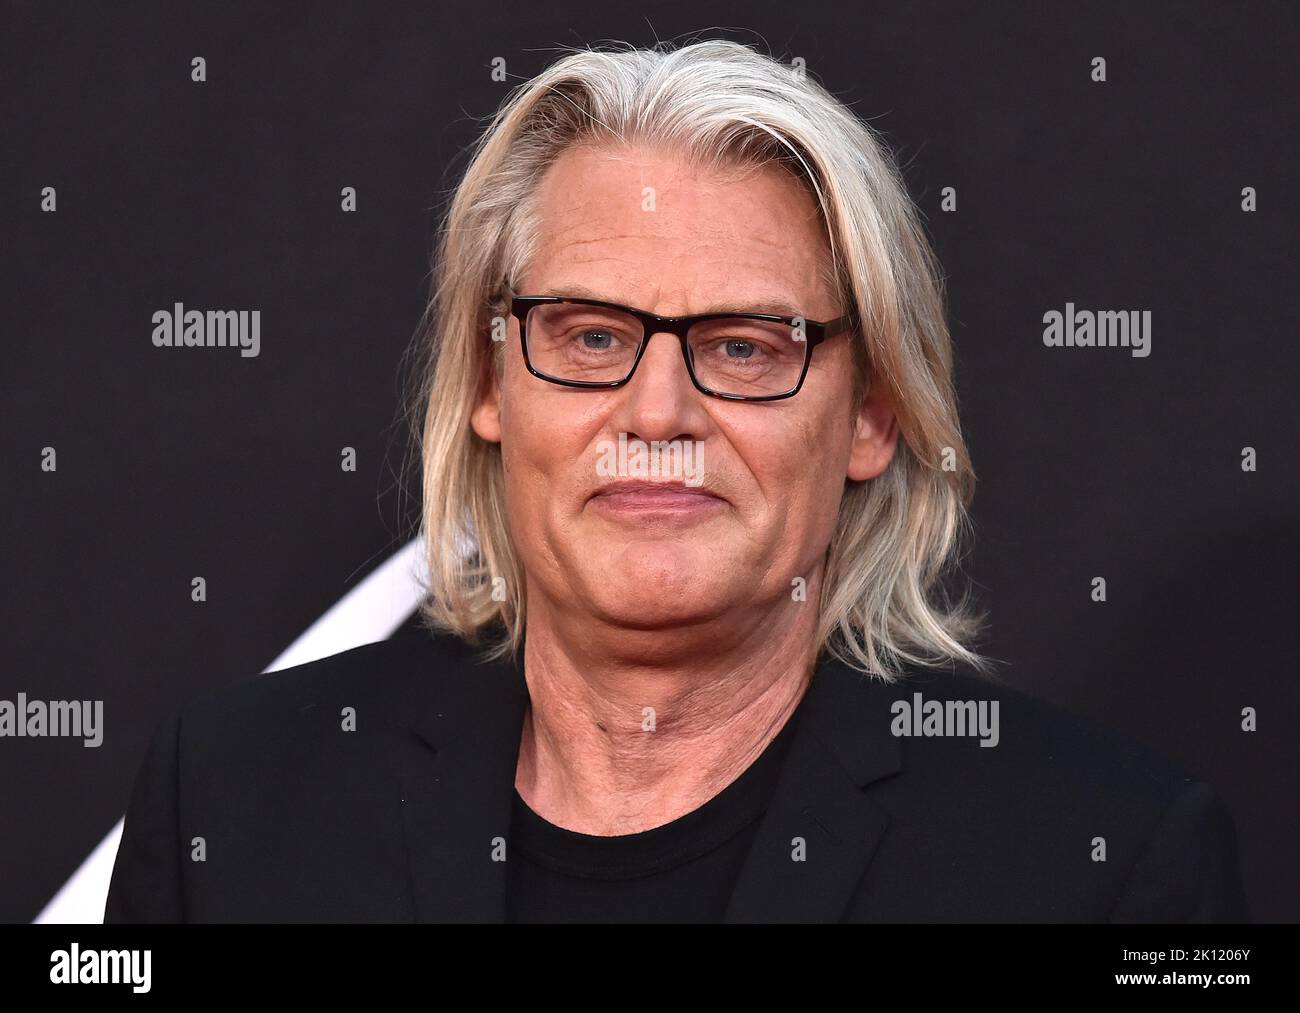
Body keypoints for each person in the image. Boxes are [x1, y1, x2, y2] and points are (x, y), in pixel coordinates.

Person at [104, 39, 1248, 923]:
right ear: (490, 387)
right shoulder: (230, 804)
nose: (657, 413)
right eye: (592, 335)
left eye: (745, 345)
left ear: (873, 413)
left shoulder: (1105, 860)